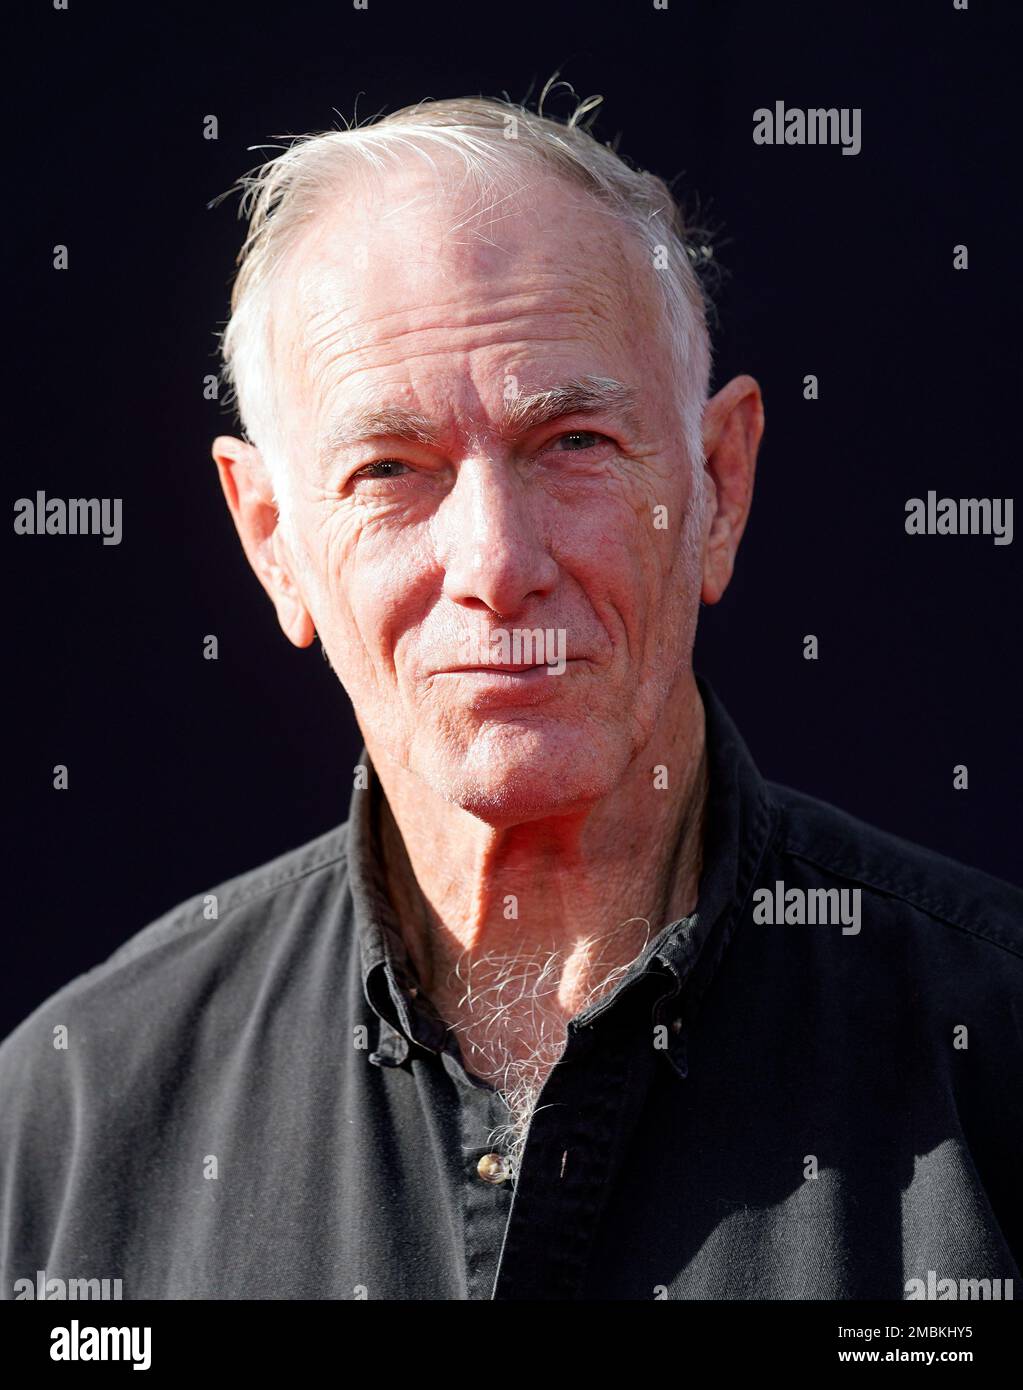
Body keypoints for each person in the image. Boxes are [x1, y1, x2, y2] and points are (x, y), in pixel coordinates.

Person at [1, 93, 1020, 1302]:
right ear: (274, 541)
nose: (496, 561)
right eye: (390, 469)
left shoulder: (996, 1061)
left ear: (720, 485)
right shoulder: (73, 1126)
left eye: (574, 442)